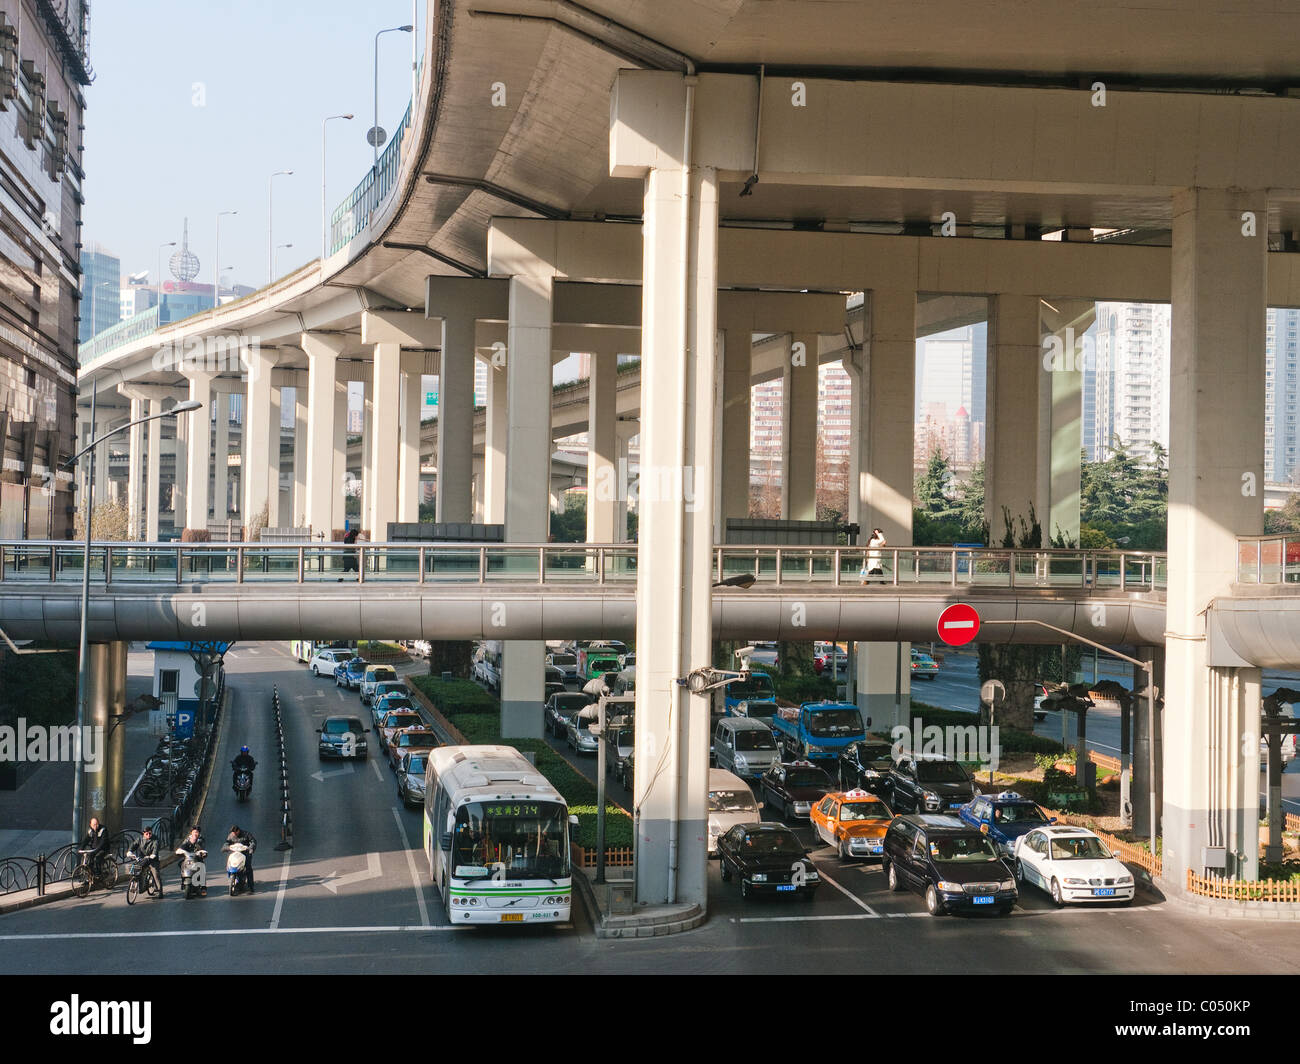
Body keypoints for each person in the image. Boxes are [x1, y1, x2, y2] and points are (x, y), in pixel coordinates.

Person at [225, 824, 256, 893]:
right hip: (235, 853)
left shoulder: (246, 834)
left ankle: (251, 886)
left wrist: (250, 848)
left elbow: (253, 842)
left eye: (235, 832)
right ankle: (233, 879)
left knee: (248, 868)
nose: (234, 834)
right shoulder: (231, 836)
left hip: (245, 853)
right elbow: (226, 843)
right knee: (229, 864)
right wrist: (226, 848)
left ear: (238, 831)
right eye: (233, 833)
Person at [178, 826, 207, 895]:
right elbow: (182, 847)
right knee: (181, 864)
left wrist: (201, 852)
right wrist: (180, 851)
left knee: (202, 867)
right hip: (188, 858)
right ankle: (183, 880)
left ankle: (203, 887)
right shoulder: (187, 839)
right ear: (191, 832)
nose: (195, 834)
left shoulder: (200, 840)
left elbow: (202, 848)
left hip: (197, 858)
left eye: (197, 832)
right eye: (194, 832)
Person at [137, 826, 163, 896]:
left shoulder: (155, 839)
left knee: (156, 874)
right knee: (138, 871)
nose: (148, 835)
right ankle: (142, 888)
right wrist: (130, 851)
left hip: (153, 859)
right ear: (143, 833)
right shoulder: (140, 839)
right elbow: (134, 845)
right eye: (147, 834)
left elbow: (156, 847)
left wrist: (153, 854)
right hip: (143, 858)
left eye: (150, 833)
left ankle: (160, 891)